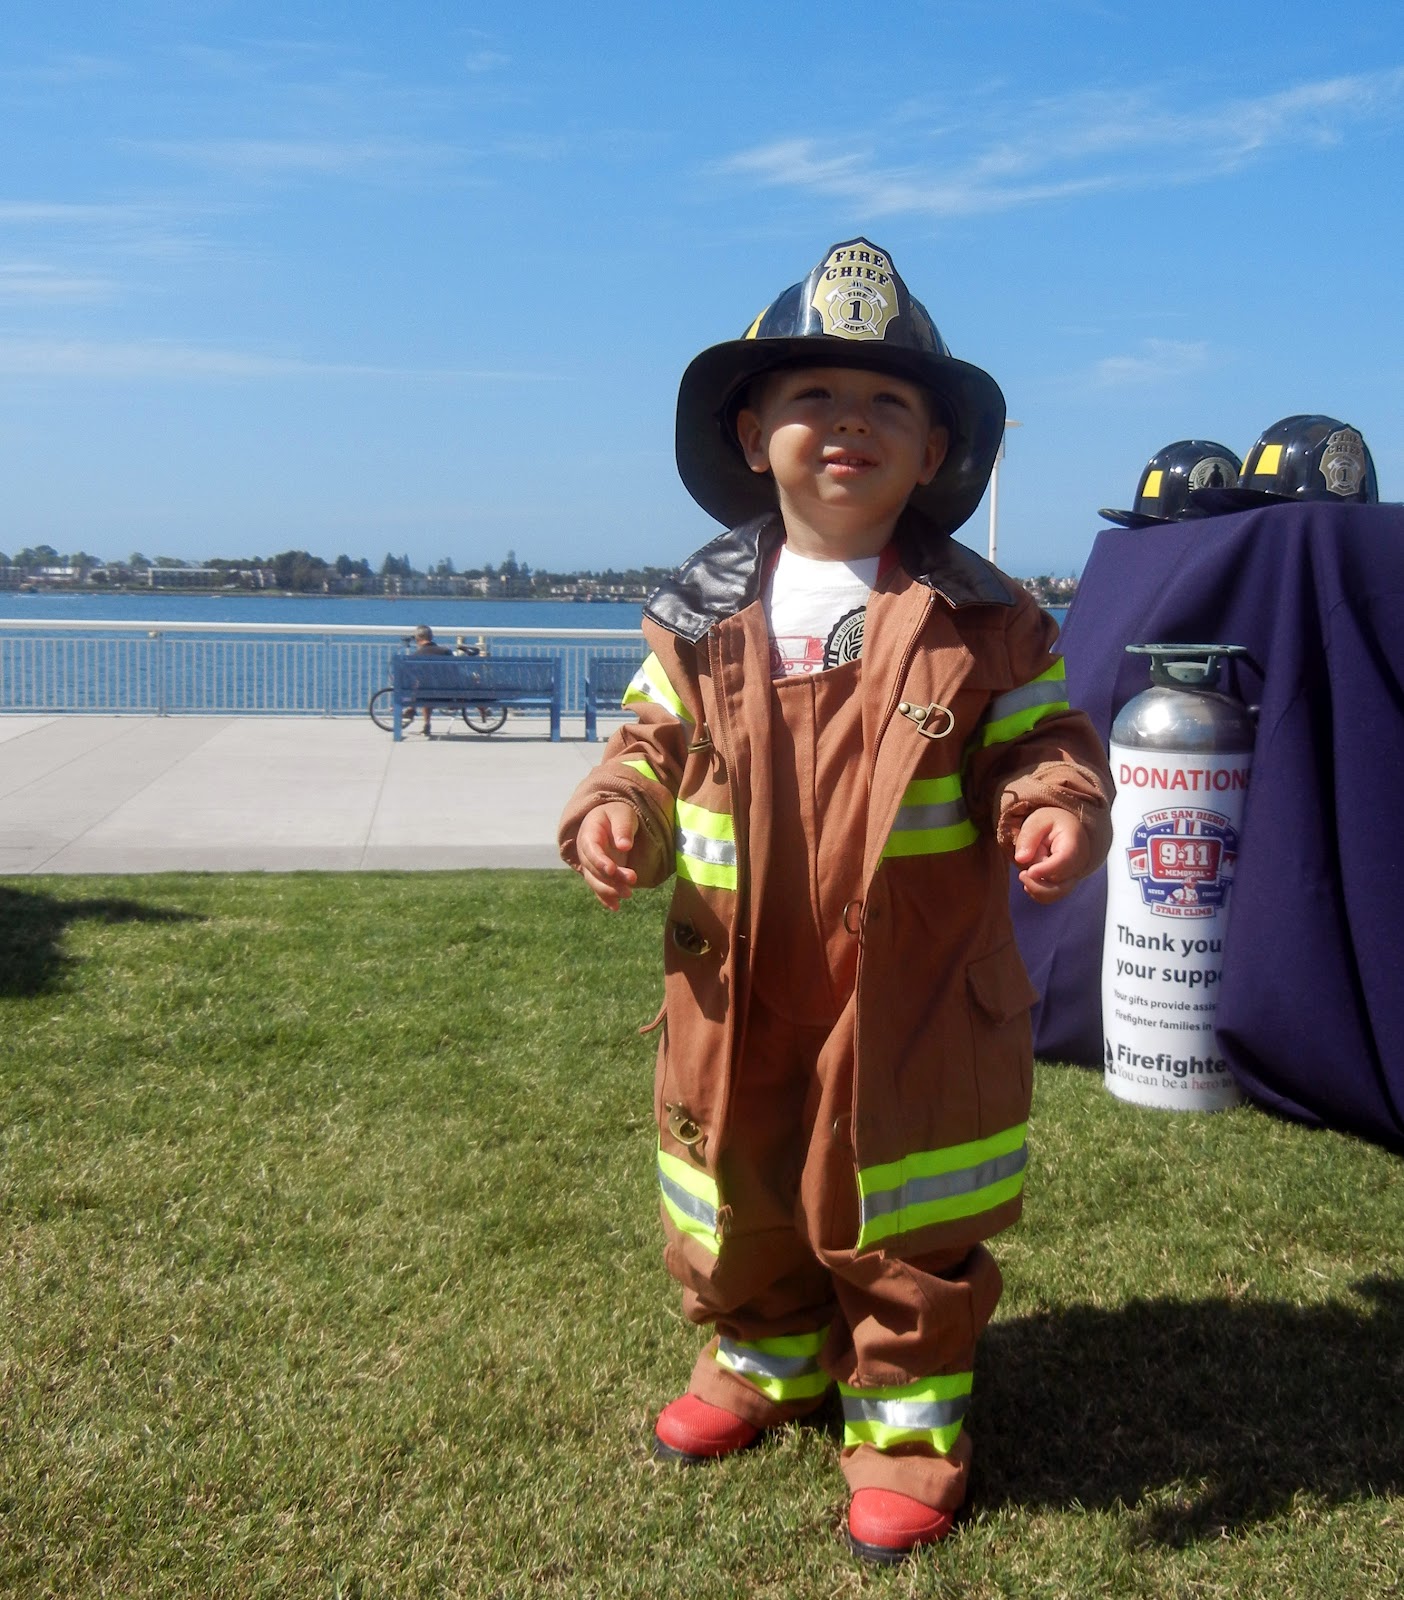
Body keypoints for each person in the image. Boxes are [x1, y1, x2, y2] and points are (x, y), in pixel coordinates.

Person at [557, 238, 1114, 1564]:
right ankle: (761, 1355)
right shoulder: (693, 617)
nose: (847, 426)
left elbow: (1046, 741)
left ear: (937, 455)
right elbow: (641, 743)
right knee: (736, 1170)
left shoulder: (988, 619)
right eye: (812, 400)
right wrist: (616, 812)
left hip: (914, 983)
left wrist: (1054, 805)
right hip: (739, 974)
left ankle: (912, 1420)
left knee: (902, 1195)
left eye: (888, 407)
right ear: (754, 437)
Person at [408, 623, 450, 735]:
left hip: (427, 695)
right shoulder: (445, 652)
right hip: (450, 694)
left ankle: (425, 722)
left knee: (422, 685)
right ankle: (484, 709)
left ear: (418, 638)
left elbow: (410, 676)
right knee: (428, 685)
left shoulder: (416, 655)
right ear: (431, 637)